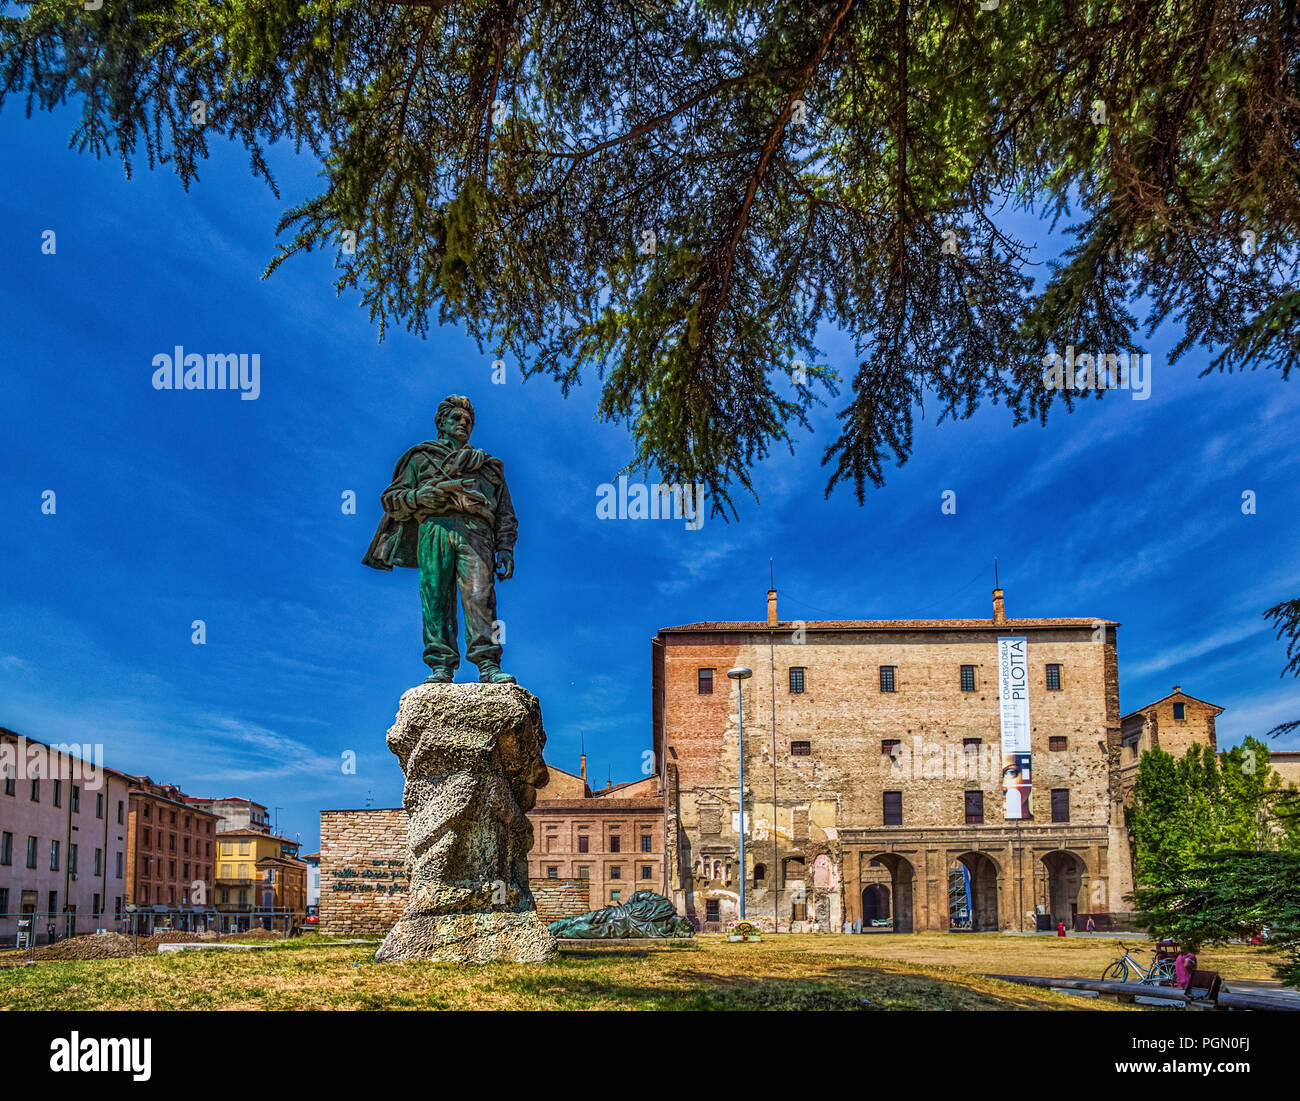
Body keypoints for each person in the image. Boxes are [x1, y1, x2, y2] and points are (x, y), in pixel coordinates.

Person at [364, 395, 518, 683]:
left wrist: (506, 548)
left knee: (480, 596)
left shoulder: (487, 466)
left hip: (477, 532)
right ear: (441, 423)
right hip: (434, 528)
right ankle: (441, 665)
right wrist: (418, 496)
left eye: (468, 421)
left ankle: (488, 664)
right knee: (435, 597)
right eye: (456, 419)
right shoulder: (421, 459)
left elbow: (505, 513)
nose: (463, 424)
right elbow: (390, 499)